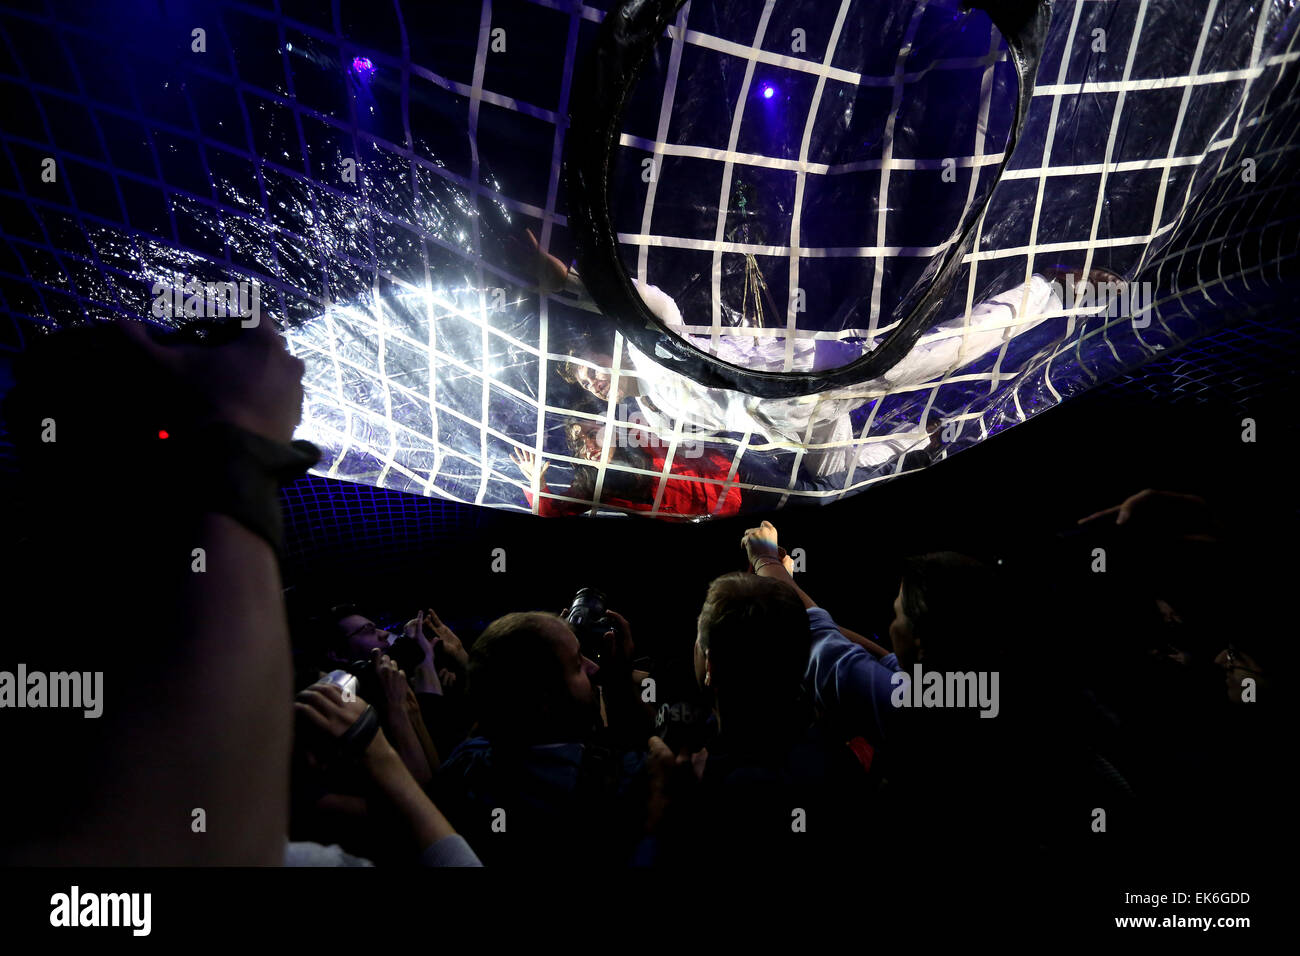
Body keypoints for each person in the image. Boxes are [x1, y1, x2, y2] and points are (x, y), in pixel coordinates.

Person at [553, 245, 1120, 475]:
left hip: (797, 375)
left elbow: (620, 293)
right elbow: (688, 463)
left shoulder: (649, 338)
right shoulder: (651, 415)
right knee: (838, 478)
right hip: (788, 425)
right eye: (586, 386)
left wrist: (557, 277)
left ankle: (1049, 290)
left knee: (930, 357)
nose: (594, 383)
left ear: (605, 348)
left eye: (588, 368)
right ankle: (922, 443)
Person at [432, 609, 653, 867]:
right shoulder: (621, 777)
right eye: (577, 664)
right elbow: (650, 752)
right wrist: (620, 681)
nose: (593, 668)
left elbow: (498, 703)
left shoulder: (464, 767)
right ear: (546, 701)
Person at [511, 419, 742, 518]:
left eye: (593, 435)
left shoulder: (647, 439)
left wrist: (718, 518)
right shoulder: (592, 482)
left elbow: (717, 467)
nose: (589, 446)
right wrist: (537, 486)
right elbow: (554, 513)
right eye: (579, 444)